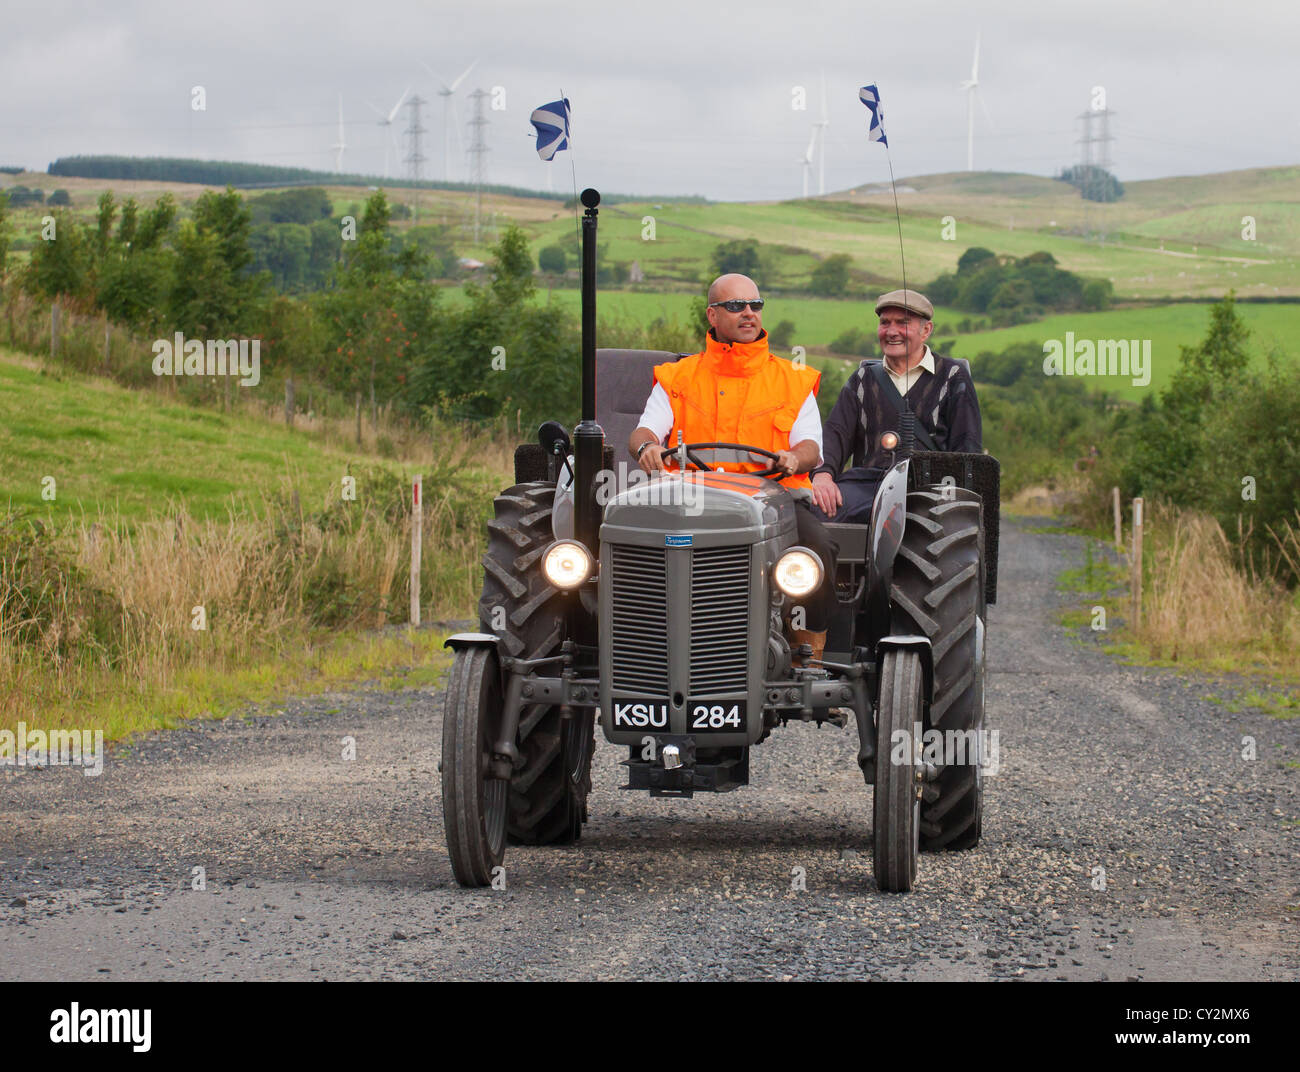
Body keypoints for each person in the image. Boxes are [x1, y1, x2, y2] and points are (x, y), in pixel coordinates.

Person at [628, 273, 837, 664]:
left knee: (818, 551)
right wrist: (648, 446)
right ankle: (639, 647)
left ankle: (806, 656)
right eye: (735, 306)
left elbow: (811, 445)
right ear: (712, 315)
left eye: (755, 305)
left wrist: (795, 457)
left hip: (776, 499)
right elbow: (643, 430)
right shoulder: (678, 377)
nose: (748, 314)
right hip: (687, 499)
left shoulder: (793, 379)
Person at [810, 289, 982, 524]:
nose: (891, 332)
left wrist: (955, 498)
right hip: (868, 486)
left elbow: (967, 445)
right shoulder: (862, 378)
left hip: (932, 487)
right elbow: (835, 434)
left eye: (903, 323)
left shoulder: (953, 377)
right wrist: (823, 475)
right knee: (818, 512)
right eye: (885, 323)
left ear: (926, 330)